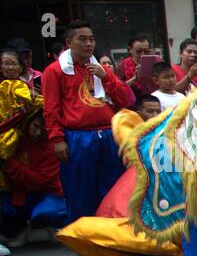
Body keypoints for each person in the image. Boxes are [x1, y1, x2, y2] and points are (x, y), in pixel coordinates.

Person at [41, 20, 134, 221]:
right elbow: (51, 108)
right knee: (80, 189)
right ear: (69, 42)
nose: (88, 44)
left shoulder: (99, 68)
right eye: (82, 39)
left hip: (108, 135)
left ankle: (112, 232)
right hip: (78, 137)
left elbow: (126, 99)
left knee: (112, 187)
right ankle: (81, 235)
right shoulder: (55, 71)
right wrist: (57, 139)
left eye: (91, 39)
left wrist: (106, 77)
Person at [1, 96, 67, 250]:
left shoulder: (54, 147)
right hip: (19, 194)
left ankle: (48, 226)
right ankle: (21, 230)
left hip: (47, 194)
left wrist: (9, 165)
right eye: (35, 126)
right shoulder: (15, 139)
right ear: (29, 123)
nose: (38, 132)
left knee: (45, 213)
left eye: (43, 130)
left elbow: (40, 181)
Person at [118, 34, 154, 98]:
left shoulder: (154, 64)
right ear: (130, 49)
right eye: (139, 51)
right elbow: (119, 89)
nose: (142, 54)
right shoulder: (122, 66)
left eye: (146, 51)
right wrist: (135, 78)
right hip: (132, 105)